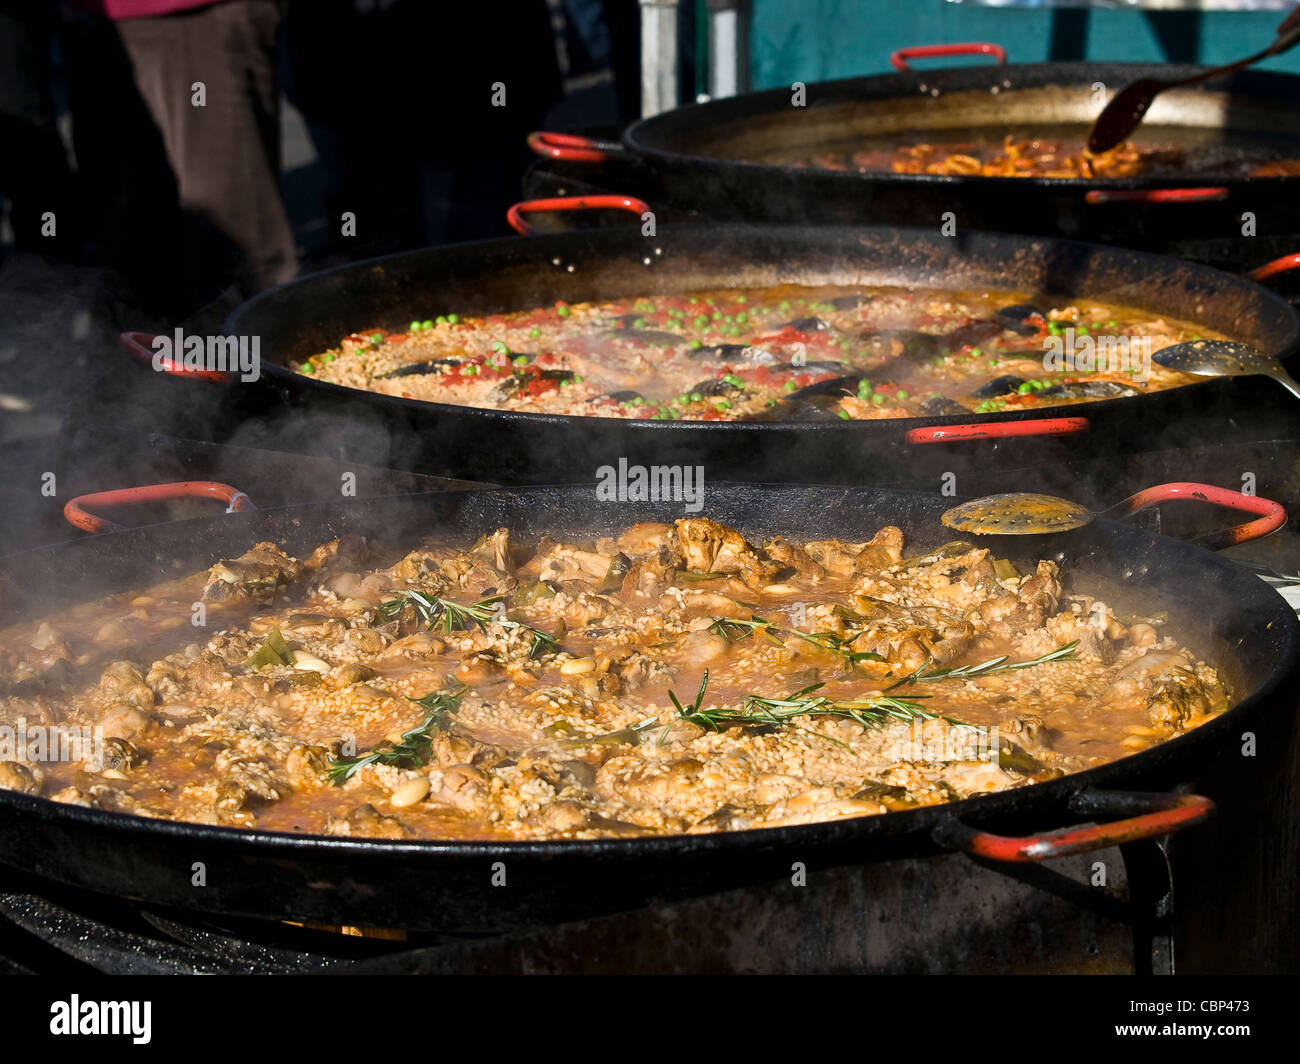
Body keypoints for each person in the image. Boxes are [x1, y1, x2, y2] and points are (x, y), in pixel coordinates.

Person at [62, 0, 296, 318]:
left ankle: (262, 357)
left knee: (234, 237)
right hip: (100, 19)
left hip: (189, 15)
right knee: (142, 235)